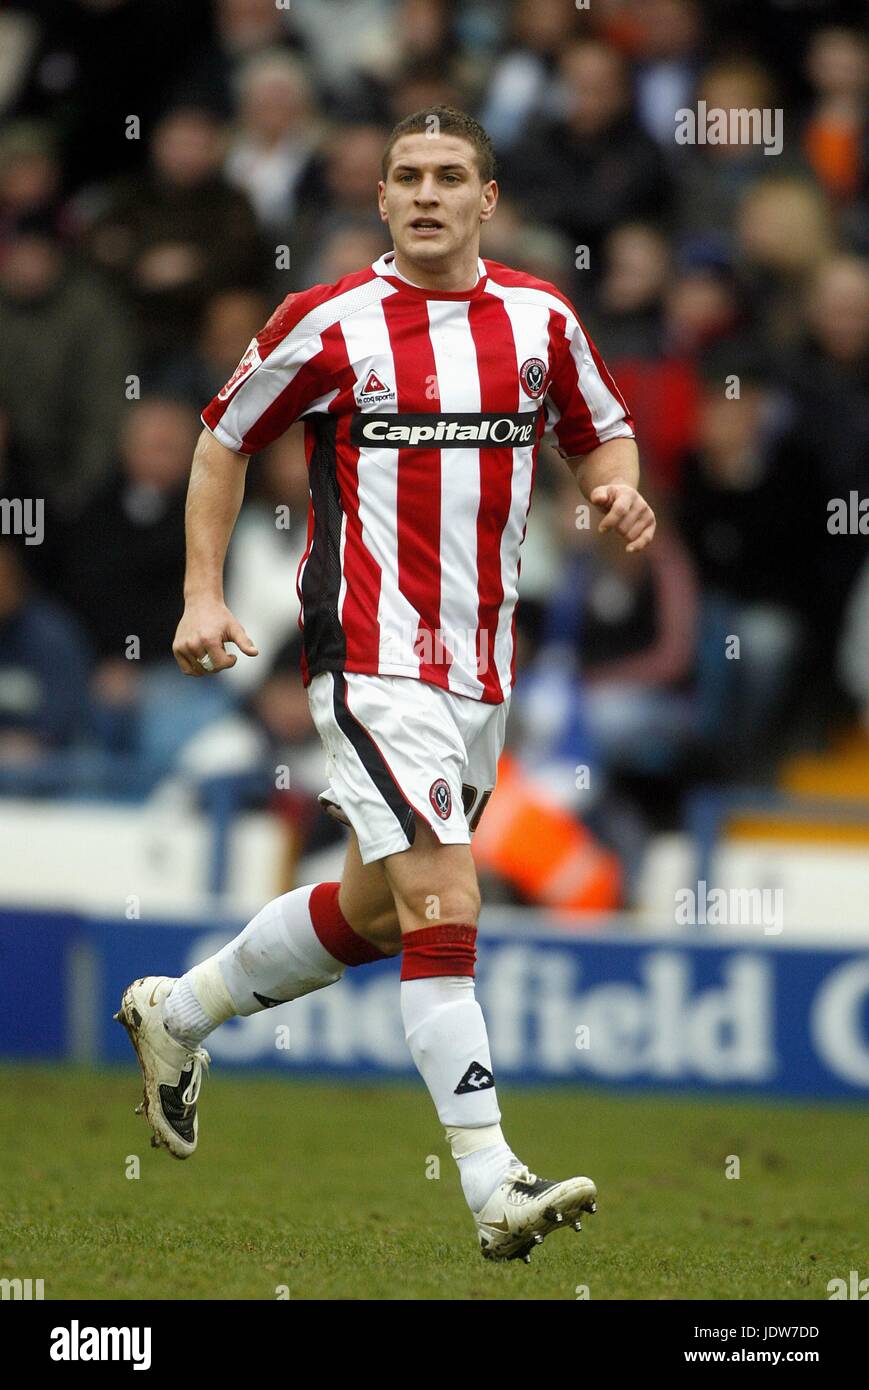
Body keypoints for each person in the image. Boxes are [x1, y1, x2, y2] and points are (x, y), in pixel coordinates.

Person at [115, 106, 655, 1263]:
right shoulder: (327, 322)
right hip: (368, 655)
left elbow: (600, 435)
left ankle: (181, 1010)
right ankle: (489, 1180)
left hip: (479, 672)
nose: (423, 193)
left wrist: (616, 490)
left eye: (448, 175)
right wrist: (202, 595)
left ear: (486, 198)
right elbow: (219, 438)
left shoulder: (539, 319)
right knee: (443, 899)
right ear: (380, 200)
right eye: (404, 175)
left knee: (371, 909)